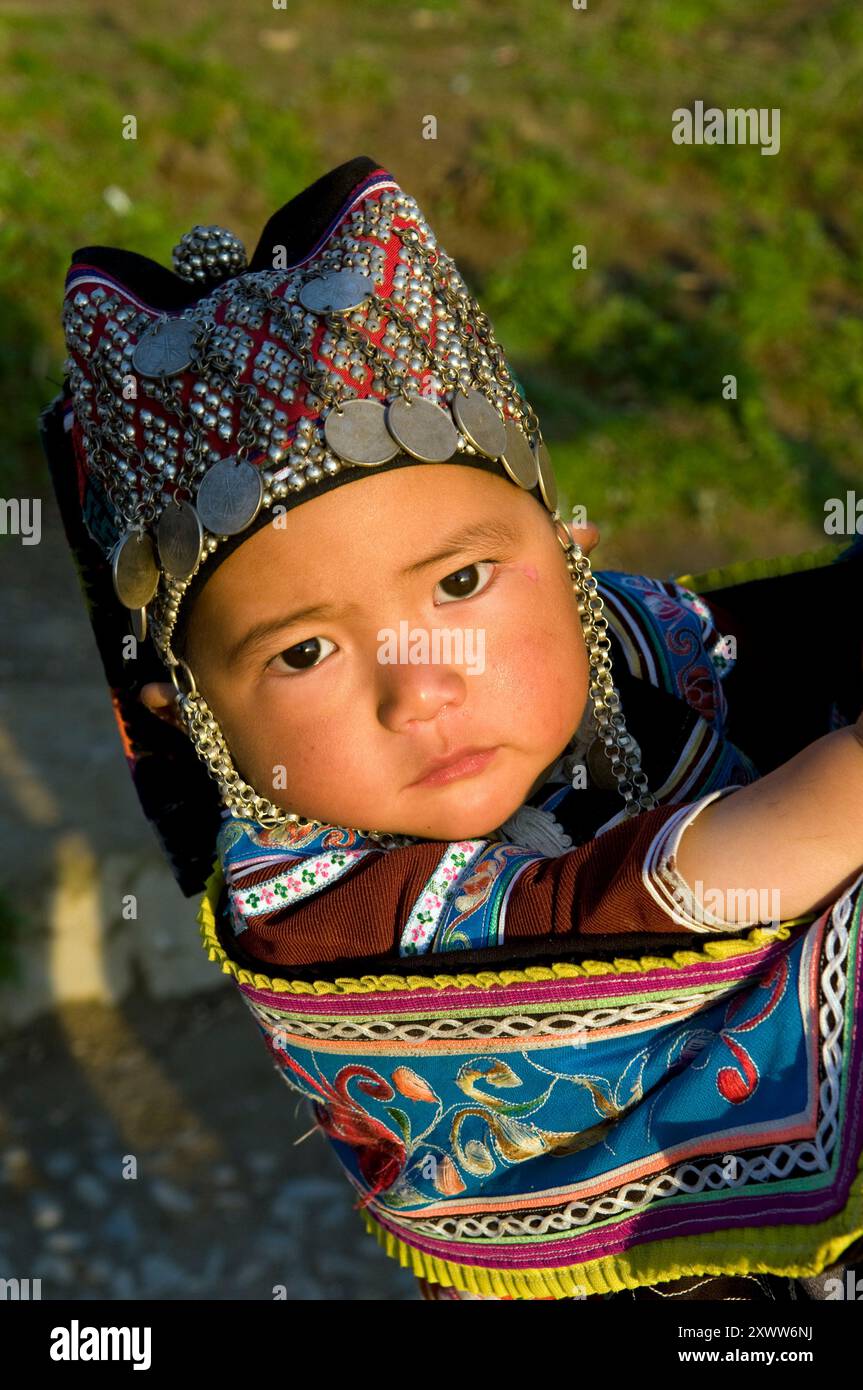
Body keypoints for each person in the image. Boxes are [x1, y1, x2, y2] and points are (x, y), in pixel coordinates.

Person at [42, 156, 863, 1301]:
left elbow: (770, 646)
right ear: (197, 721)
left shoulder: (601, 640)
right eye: (306, 651)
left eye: (463, 582)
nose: (420, 686)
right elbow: (619, 903)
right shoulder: (309, 910)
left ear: (569, 556)